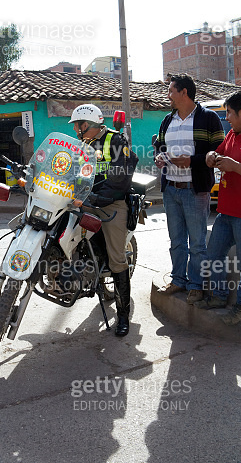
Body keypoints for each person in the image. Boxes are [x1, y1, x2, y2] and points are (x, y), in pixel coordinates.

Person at [195, 92, 241, 324]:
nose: (227, 118)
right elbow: (220, 152)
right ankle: (218, 296)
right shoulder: (233, 134)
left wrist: (235, 166)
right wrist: (210, 156)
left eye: (229, 113)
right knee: (214, 254)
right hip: (227, 211)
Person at [153, 74, 225, 304]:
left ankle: (196, 284)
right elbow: (159, 146)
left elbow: (219, 152)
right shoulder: (167, 120)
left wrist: (192, 161)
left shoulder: (208, 118)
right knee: (176, 240)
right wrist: (159, 158)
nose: (169, 96)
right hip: (171, 189)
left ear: (184, 92)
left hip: (196, 190)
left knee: (197, 242)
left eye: (171, 91)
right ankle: (178, 280)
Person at [69, 103, 138, 336]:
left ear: (86, 124)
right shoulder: (81, 145)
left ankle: (122, 316)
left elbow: (121, 178)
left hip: (111, 204)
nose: (75, 129)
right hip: (85, 201)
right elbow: (71, 170)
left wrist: (99, 198)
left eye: (77, 125)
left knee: (117, 259)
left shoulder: (116, 141)